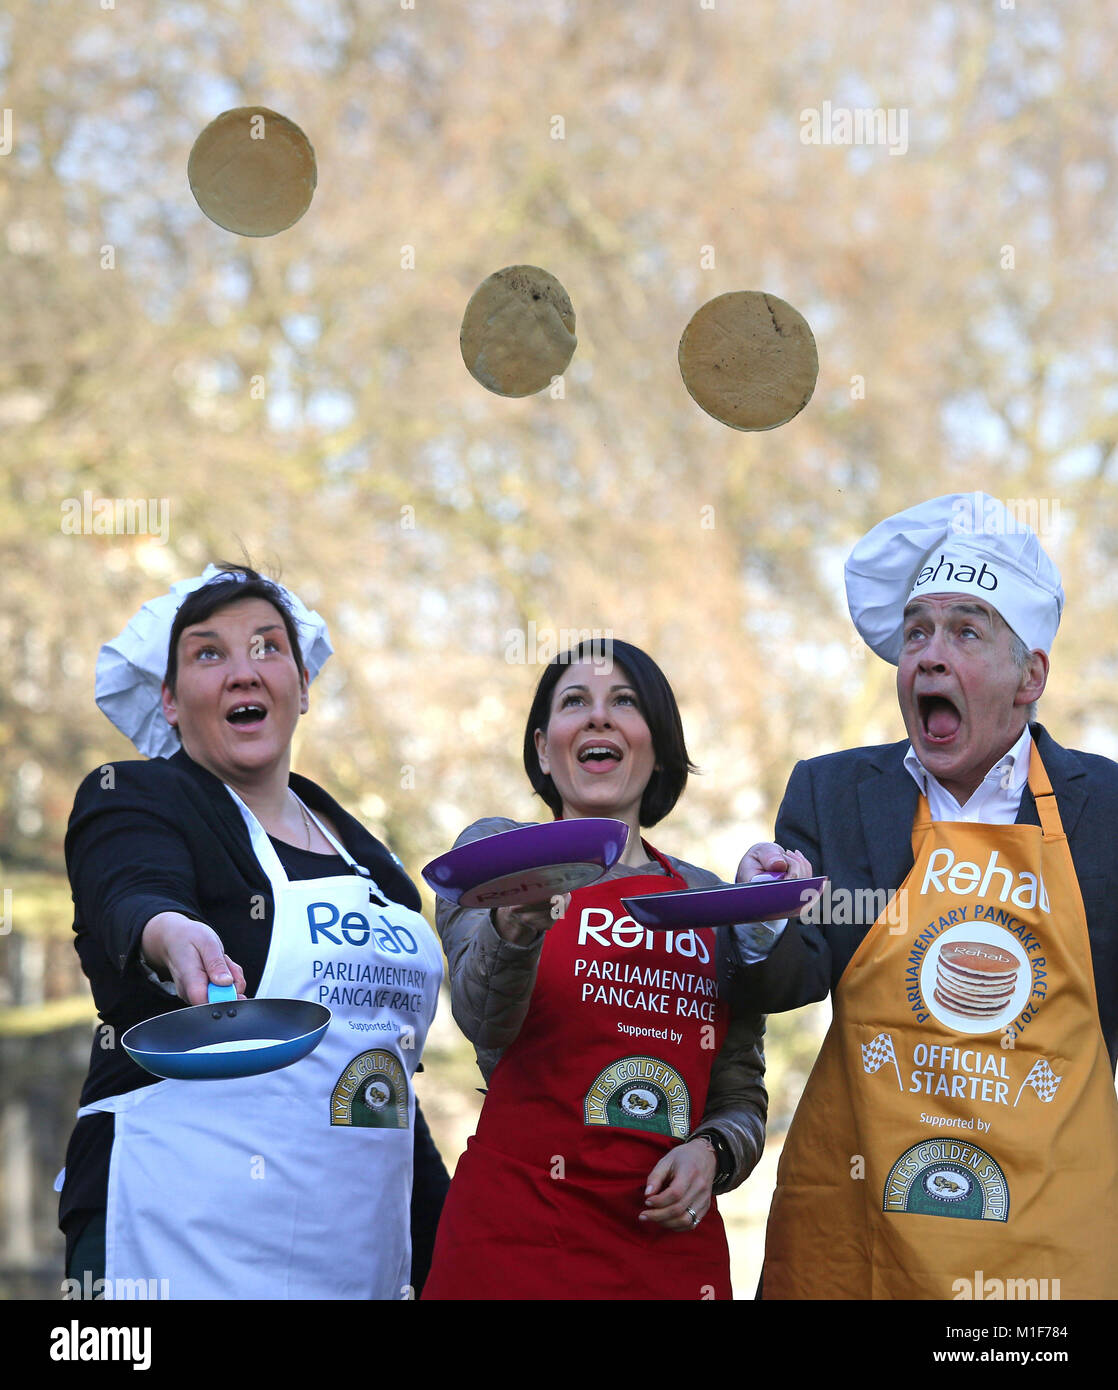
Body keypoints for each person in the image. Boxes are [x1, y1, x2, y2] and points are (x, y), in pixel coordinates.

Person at [736, 493, 1118, 1299]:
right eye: (917, 632)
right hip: (860, 1228)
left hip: (1047, 1247)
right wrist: (762, 917)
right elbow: (787, 981)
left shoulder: (1107, 811)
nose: (930, 656)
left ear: (1031, 676)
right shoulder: (834, 792)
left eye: (965, 631)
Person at [58, 564, 446, 1300]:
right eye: (209, 654)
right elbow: (129, 888)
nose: (243, 671)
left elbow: (383, 1075)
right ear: (168, 702)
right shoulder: (140, 797)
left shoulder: (377, 868)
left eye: (268, 647)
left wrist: (447, 1240)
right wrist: (169, 934)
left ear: (302, 686)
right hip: (178, 1235)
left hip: (353, 1251)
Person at [421, 639, 772, 1300]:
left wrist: (714, 1153)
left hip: (662, 1257)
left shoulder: (712, 903)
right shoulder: (495, 858)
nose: (598, 718)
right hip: (513, 1244)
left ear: (659, 747)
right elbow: (481, 1019)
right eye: (574, 701)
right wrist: (517, 924)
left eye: (625, 703)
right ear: (544, 748)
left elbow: (742, 1093)